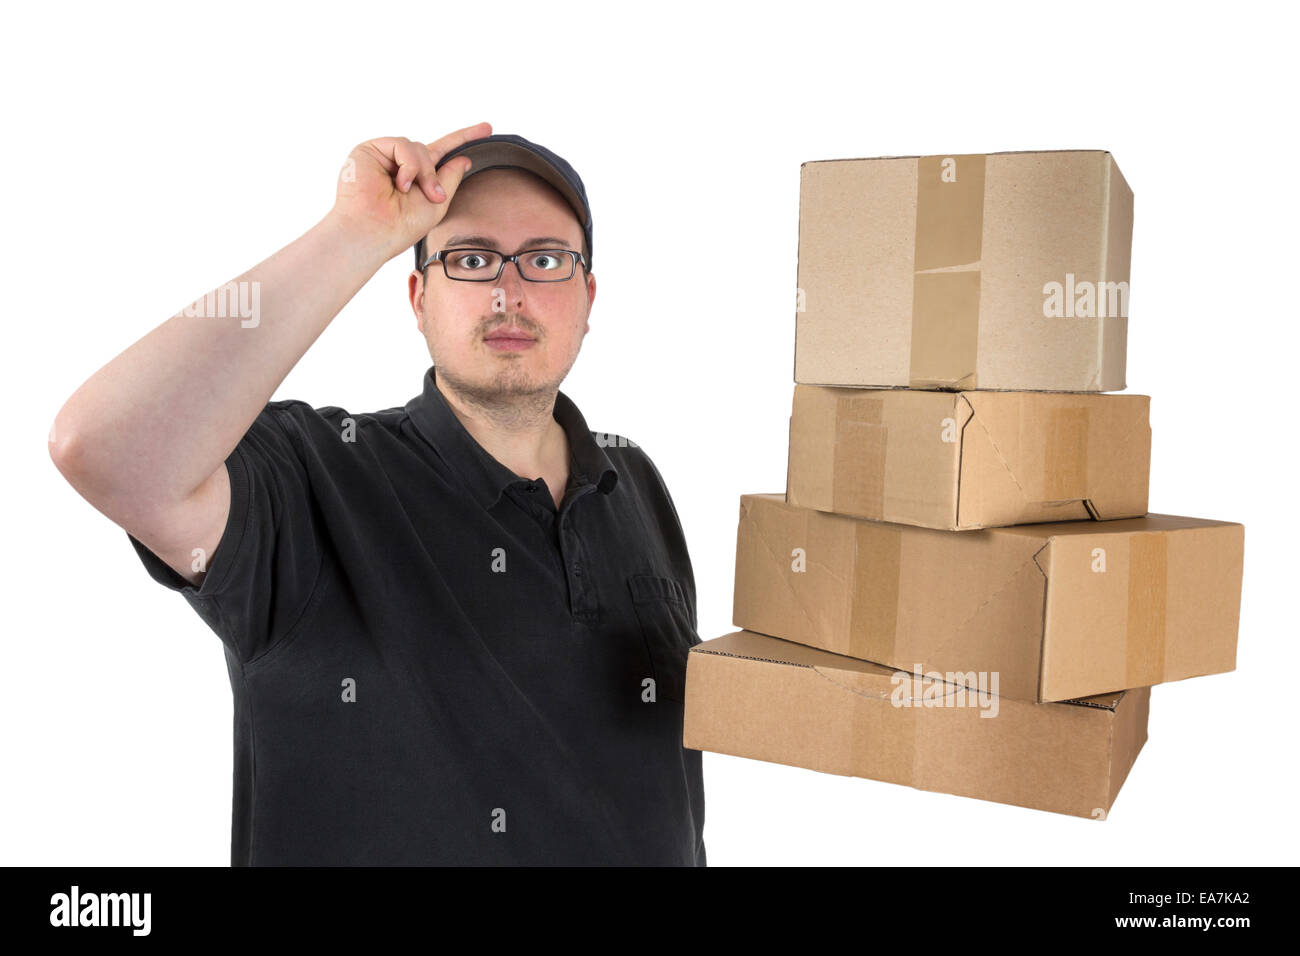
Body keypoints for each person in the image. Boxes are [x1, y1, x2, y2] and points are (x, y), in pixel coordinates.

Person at [48, 123, 706, 866]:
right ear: (419, 296)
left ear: (587, 298)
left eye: (545, 260)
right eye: (471, 258)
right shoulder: (315, 478)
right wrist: (354, 233)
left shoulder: (633, 479)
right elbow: (102, 447)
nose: (508, 290)